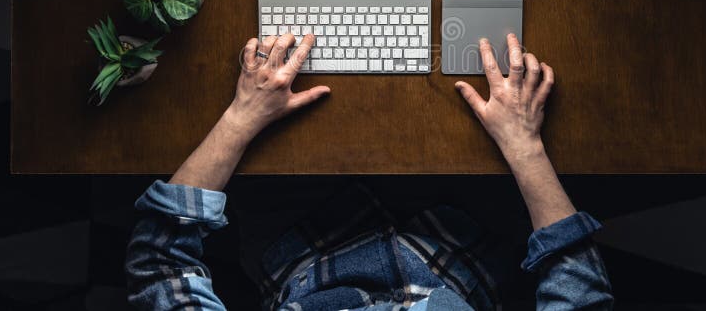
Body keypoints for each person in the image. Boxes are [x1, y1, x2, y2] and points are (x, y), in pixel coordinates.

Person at [125, 32, 613, 310]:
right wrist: (524, 145)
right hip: (467, 245)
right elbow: (579, 291)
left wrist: (241, 117)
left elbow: (160, 261)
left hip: (295, 241)